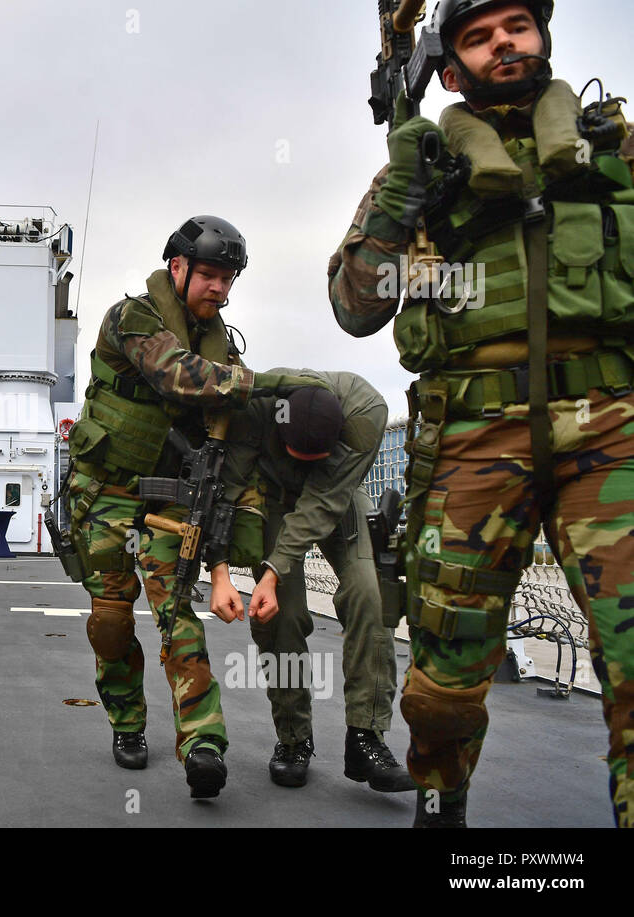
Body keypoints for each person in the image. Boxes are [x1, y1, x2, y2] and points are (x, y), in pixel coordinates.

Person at [327, 0, 634, 828]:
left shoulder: (617, 147)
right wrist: (401, 188)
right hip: (470, 437)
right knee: (443, 683)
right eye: (478, 34)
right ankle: (441, 809)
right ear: (451, 66)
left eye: (516, 25)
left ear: (541, 36)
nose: (504, 41)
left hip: (611, 429)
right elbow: (355, 306)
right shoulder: (420, 168)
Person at [65, 215, 324, 798]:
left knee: (178, 619)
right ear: (177, 268)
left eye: (228, 279)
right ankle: (127, 722)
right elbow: (174, 376)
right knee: (110, 623)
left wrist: (235, 554)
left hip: (167, 496)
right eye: (209, 275)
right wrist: (260, 381)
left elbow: (229, 442)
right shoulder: (131, 317)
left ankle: (203, 744)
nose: (220, 289)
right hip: (105, 492)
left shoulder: (222, 346)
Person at [208, 373, 413, 793]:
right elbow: (226, 489)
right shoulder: (257, 411)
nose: (304, 461)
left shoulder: (366, 411)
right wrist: (223, 569)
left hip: (336, 494)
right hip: (275, 498)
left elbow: (321, 502)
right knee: (281, 617)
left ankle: (366, 736)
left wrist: (272, 568)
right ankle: (293, 739)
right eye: (296, 454)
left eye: (312, 455)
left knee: (369, 599)